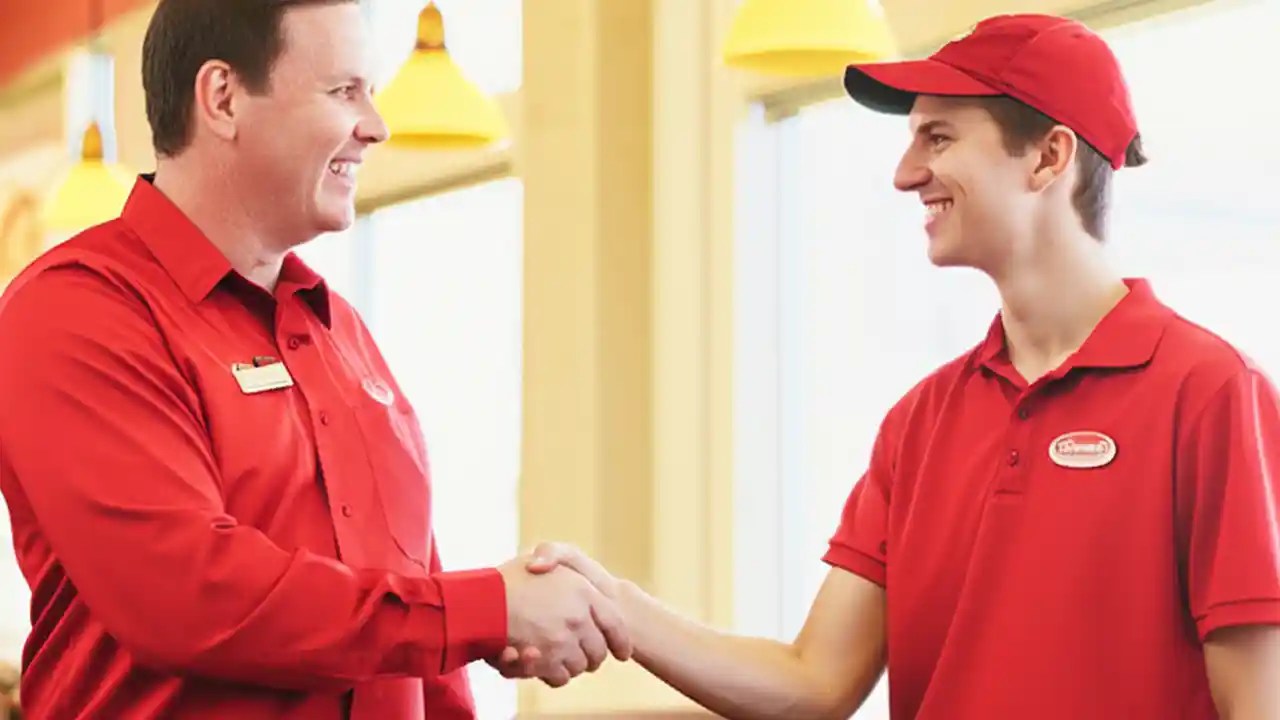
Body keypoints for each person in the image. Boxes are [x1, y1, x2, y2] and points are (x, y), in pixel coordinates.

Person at [495, 13, 1280, 719]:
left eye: (937, 138)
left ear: (1048, 156)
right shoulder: (920, 423)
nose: (905, 173)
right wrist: (615, 605)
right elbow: (814, 683)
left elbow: (1260, 701)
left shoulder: (1209, 392)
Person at [0, 1, 629, 718]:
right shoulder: (78, 310)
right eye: (344, 91)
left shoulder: (341, 332)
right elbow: (190, 597)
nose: (376, 126)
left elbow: (418, 616)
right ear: (223, 98)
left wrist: (478, 618)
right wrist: (486, 609)